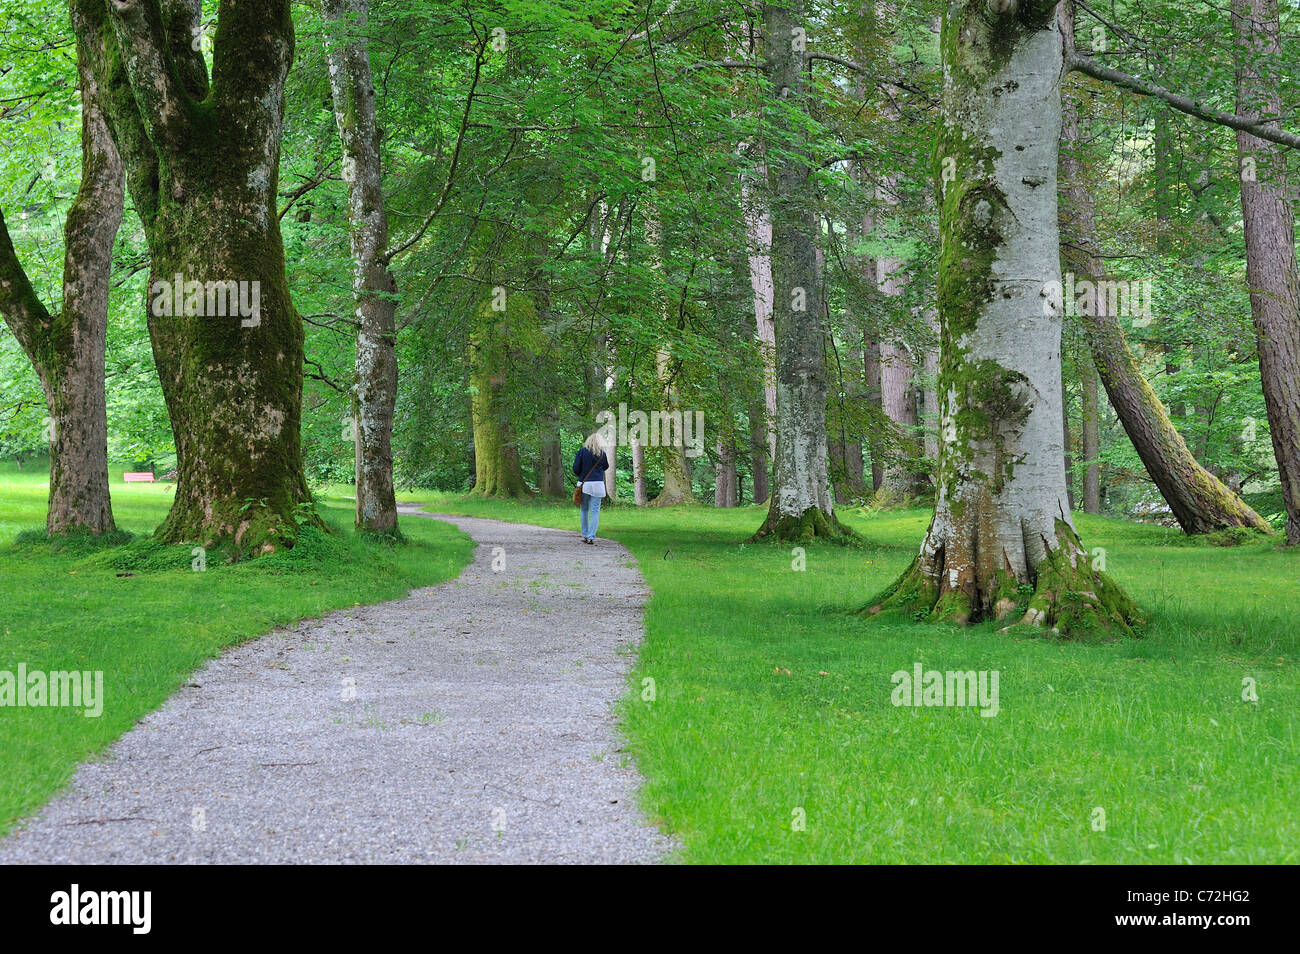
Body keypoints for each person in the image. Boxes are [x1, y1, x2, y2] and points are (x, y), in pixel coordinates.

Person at [573, 432, 609, 544]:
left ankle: (584, 534)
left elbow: (575, 468)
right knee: (595, 511)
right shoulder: (602, 453)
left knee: (584, 509)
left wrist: (581, 474)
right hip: (598, 484)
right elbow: (606, 466)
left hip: (585, 484)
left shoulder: (582, 452)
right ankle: (591, 536)